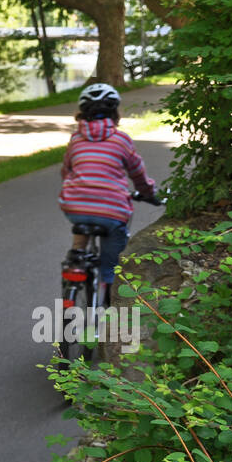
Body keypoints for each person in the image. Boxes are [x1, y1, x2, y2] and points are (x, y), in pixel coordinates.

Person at [58, 83, 157, 303]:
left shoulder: (75, 139)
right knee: (112, 262)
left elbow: (67, 171)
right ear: (115, 113)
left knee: (85, 215)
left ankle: (77, 257)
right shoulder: (121, 140)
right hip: (112, 210)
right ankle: (110, 296)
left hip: (75, 206)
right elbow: (137, 173)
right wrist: (148, 192)